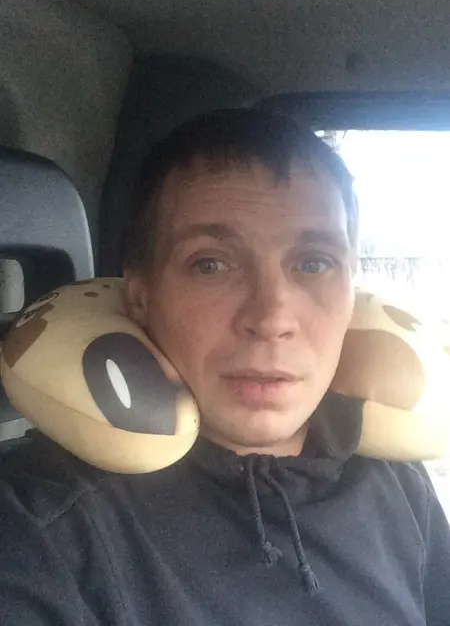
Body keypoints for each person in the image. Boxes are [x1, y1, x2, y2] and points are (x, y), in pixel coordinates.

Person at [0, 108, 449, 625]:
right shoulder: (44, 530)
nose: (271, 318)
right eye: (210, 264)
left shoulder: (396, 481)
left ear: (352, 289)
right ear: (141, 294)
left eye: (313, 263)